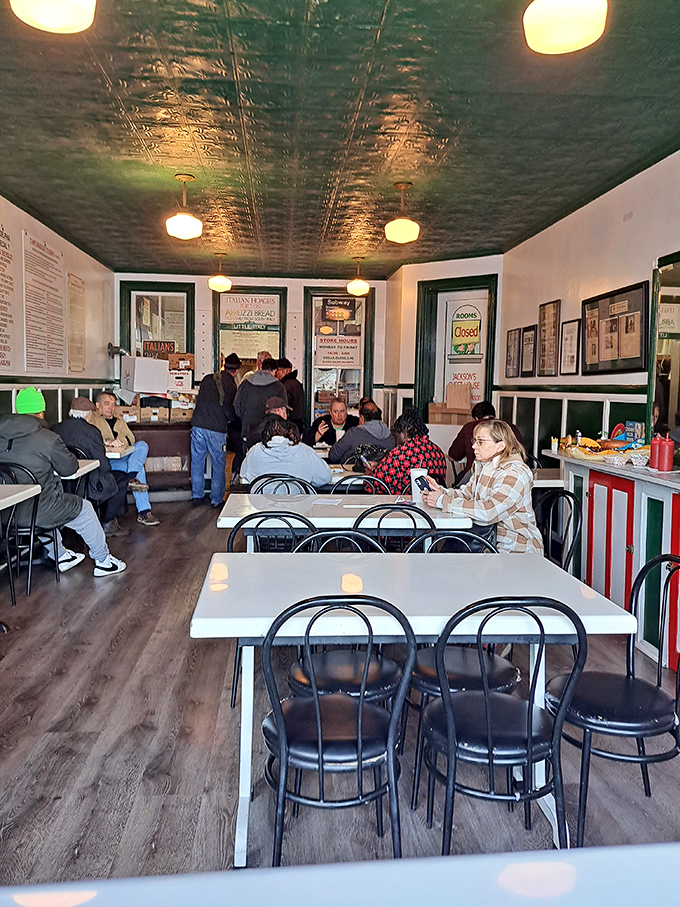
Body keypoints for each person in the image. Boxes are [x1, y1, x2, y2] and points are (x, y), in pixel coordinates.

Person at [0, 387, 126, 576]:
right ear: (41, 411)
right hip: (40, 512)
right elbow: (70, 469)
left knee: (40, 504)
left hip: (6, 514)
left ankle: (60, 555)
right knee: (84, 508)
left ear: (18, 411)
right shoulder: (47, 438)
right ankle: (103, 561)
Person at [422, 419, 543, 554]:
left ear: (500, 446)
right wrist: (442, 492)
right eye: (474, 441)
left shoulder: (515, 473)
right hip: (485, 542)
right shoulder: (483, 465)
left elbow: (489, 511)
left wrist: (443, 501)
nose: (474, 446)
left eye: (481, 441)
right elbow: (467, 494)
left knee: (446, 560)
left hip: (514, 549)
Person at [52, 396, 131, 537]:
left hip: (62, 485)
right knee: (121, 478)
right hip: (88, 484)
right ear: (88, 414)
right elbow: (102, 464)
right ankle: (108, 523)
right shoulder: (92, 431)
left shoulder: (56, 429)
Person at [90, 390, 160, 526]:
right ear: (98, 405)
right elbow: (92, 440)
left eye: (113, 404)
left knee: (142, 446)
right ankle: (144, 511)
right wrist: (108, 442)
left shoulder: (119, 420)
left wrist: (119, 441)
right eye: (107, 404)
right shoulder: (93, 420)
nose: (111, 407)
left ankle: (131, 475)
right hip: (108, 462)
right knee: (140, 469)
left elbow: (130, 438)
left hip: (122, 458)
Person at [190, 353, 241, 507]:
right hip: (216, 430)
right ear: (237, 370)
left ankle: (197, 496)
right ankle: (216, 500)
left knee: (197, 462)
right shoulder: (231, 386)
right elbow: (228, 409)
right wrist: (235, 421)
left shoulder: (207, 378)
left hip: (198, 425)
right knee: (218, 465)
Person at [366, 408, 447, 493]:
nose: (395, 442)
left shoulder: (401, 454)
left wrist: (369, 472)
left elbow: (372, 485)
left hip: (406, 505)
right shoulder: (438, 452)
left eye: (395, 436)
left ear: (404, 434)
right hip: (434, 503)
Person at [240, 414, 332, 488]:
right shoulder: (305, 451)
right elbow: (326, 477)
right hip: (298, 508)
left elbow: (243, 474)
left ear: (265, 433)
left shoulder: (255, 451)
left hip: (264, 509)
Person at [448, 401, 524, 476]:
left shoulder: (469, 427)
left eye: (480, 441)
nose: (474, 446)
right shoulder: (510, 427)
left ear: (476, 418)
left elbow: (453, 455)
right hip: (513, 471)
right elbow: (522, 452)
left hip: (477, 474)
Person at [234, 357, 288, 453]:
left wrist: (245, 418)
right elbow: (283, 412)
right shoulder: (278, 387)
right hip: (270, 434)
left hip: (248, 432)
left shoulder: (245, 384)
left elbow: (236, 406)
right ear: (274, 371)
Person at [328, 400, 394, 464]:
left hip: (353, 474)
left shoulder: (354, 433)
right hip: (381, 474)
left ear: (362, 418)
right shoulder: (391, 436)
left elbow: (333, 455)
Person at [275, 357, 304, 431]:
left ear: (286, 371)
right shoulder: (296, 383)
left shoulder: (285, 386)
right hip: (298, 423)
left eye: (277, 370)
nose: (276, 373)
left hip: (290, 424)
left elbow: (284, 406)